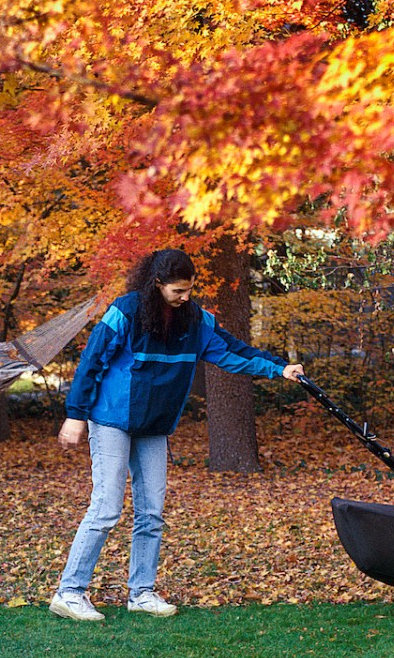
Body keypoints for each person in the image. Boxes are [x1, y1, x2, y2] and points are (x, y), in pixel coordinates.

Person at [49, 248, 305, 621]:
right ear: (157, 285)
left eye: (189, 289)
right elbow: (92, 360)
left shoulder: (196, 321)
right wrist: (76, 415)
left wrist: (279, 369)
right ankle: (69, 592)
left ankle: (141, 593)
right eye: (177, 291)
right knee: (106, 509)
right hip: (111, 419)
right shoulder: (126, 310)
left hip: (154, 426)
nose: (185, 296)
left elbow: (233, 351)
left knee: (151, 512)